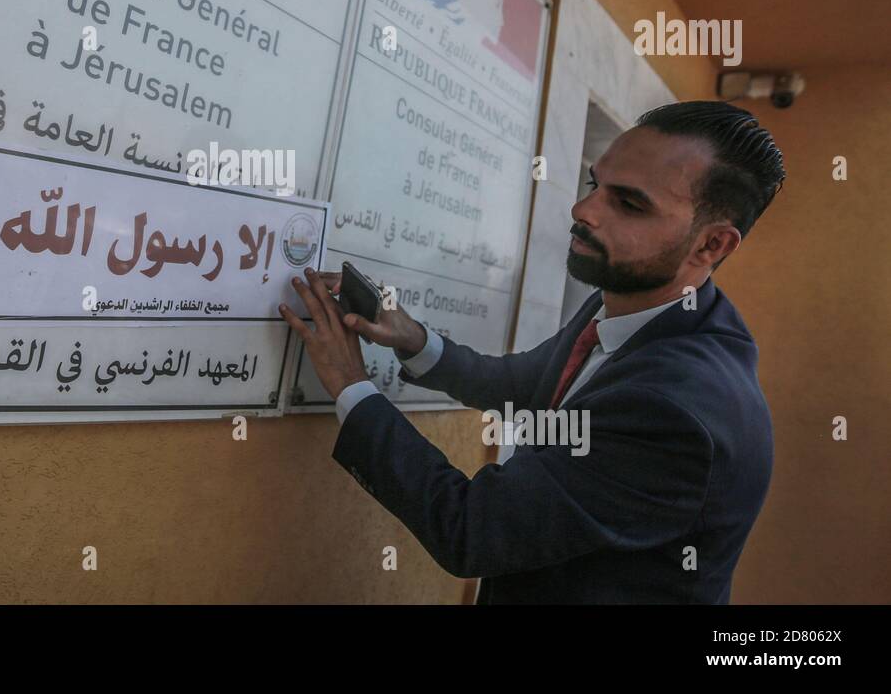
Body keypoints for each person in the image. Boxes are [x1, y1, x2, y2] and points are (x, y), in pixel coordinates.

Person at [280, 101, 785, 603]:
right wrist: (415, 340)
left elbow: (473, 530)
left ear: (712, 245)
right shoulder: (632, 302)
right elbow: (531, 386)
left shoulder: (676, 413)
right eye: (594, 185)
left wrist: (352, 386)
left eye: (629, 204)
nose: (583, 211)